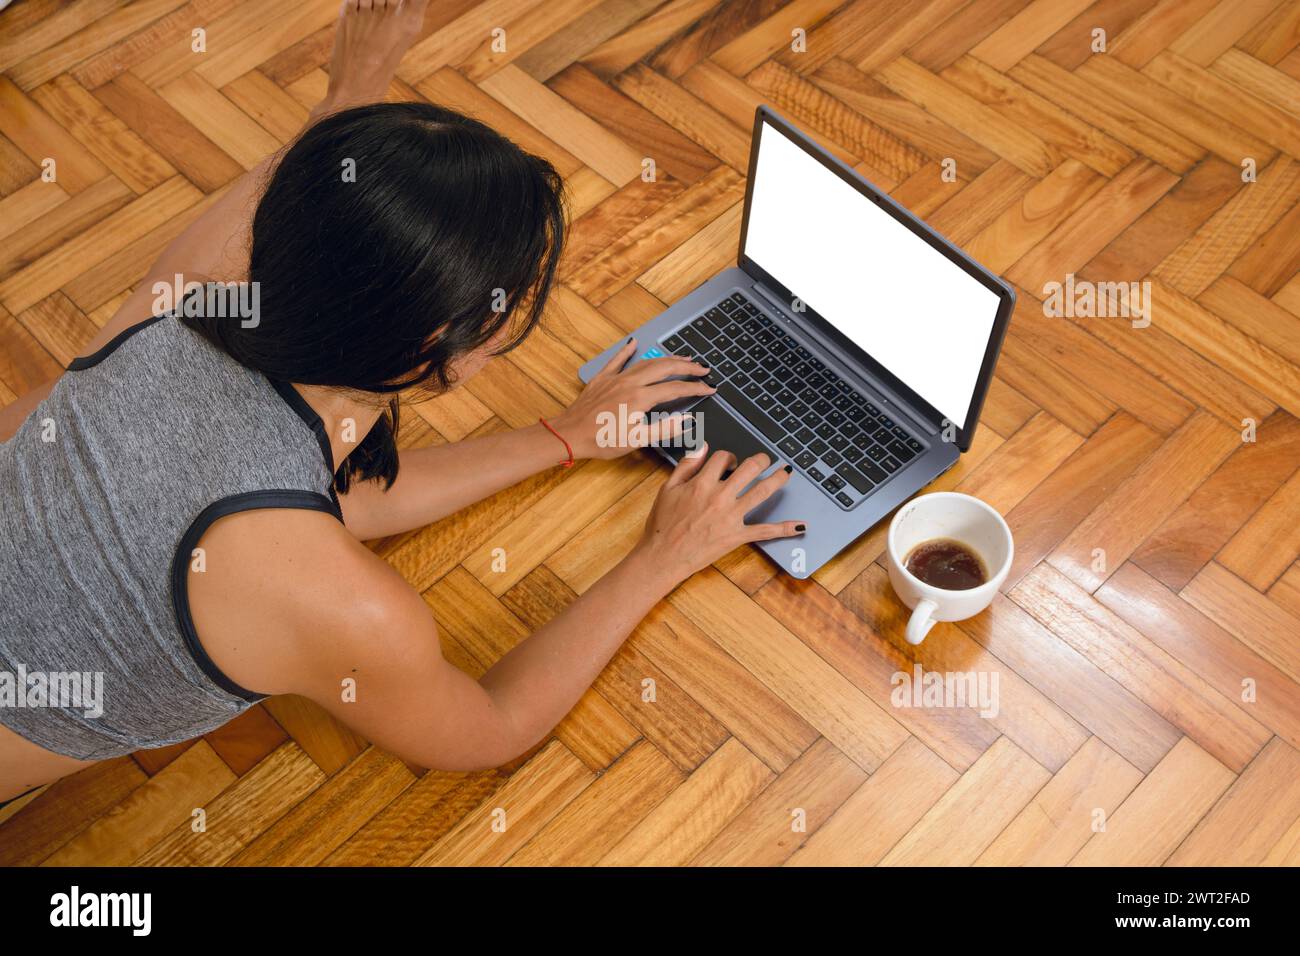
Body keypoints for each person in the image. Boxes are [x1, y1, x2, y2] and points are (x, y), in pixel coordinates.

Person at [0, 0, 804, 803]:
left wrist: (561, 437)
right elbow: (492, 724)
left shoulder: (184, 301)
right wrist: (662, 554)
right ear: (436, 349)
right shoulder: (345, 607)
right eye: (503, 308)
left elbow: (297, 209)